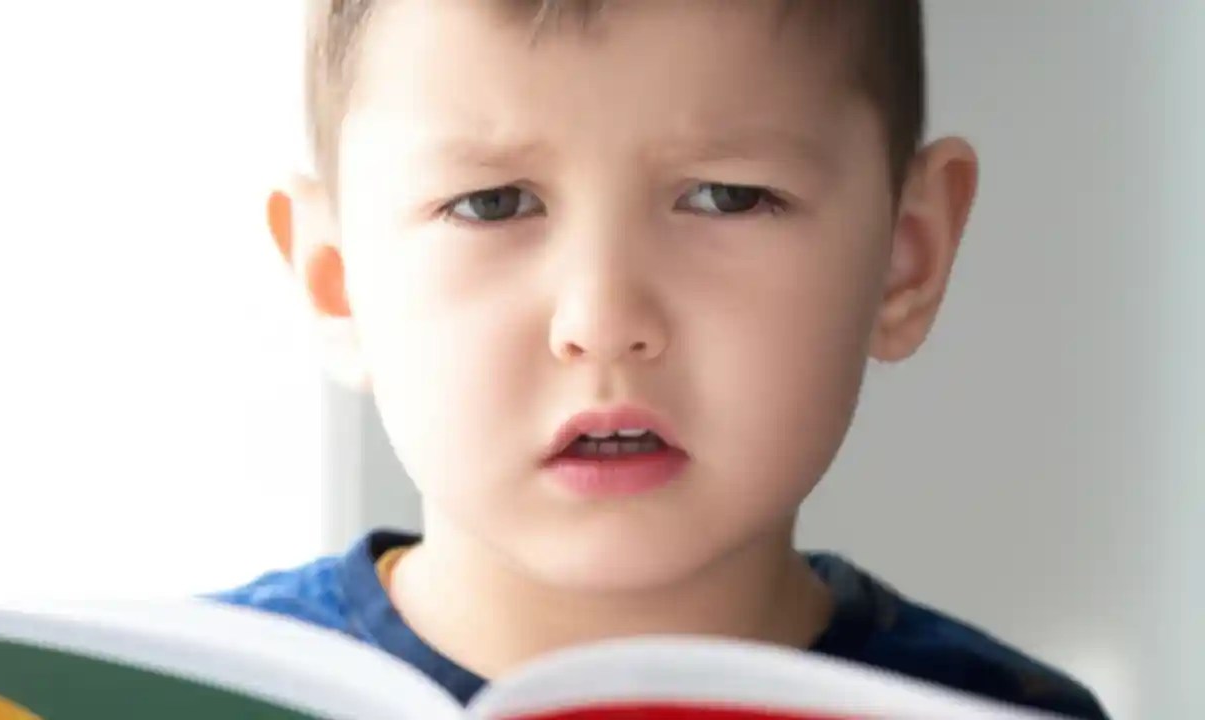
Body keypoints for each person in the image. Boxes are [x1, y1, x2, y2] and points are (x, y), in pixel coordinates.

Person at [212, 2, 1107, 717]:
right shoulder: (157, 699)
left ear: (905, 257)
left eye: (726, 197)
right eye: (491, 204)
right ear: (337, 284)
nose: (602, 320)